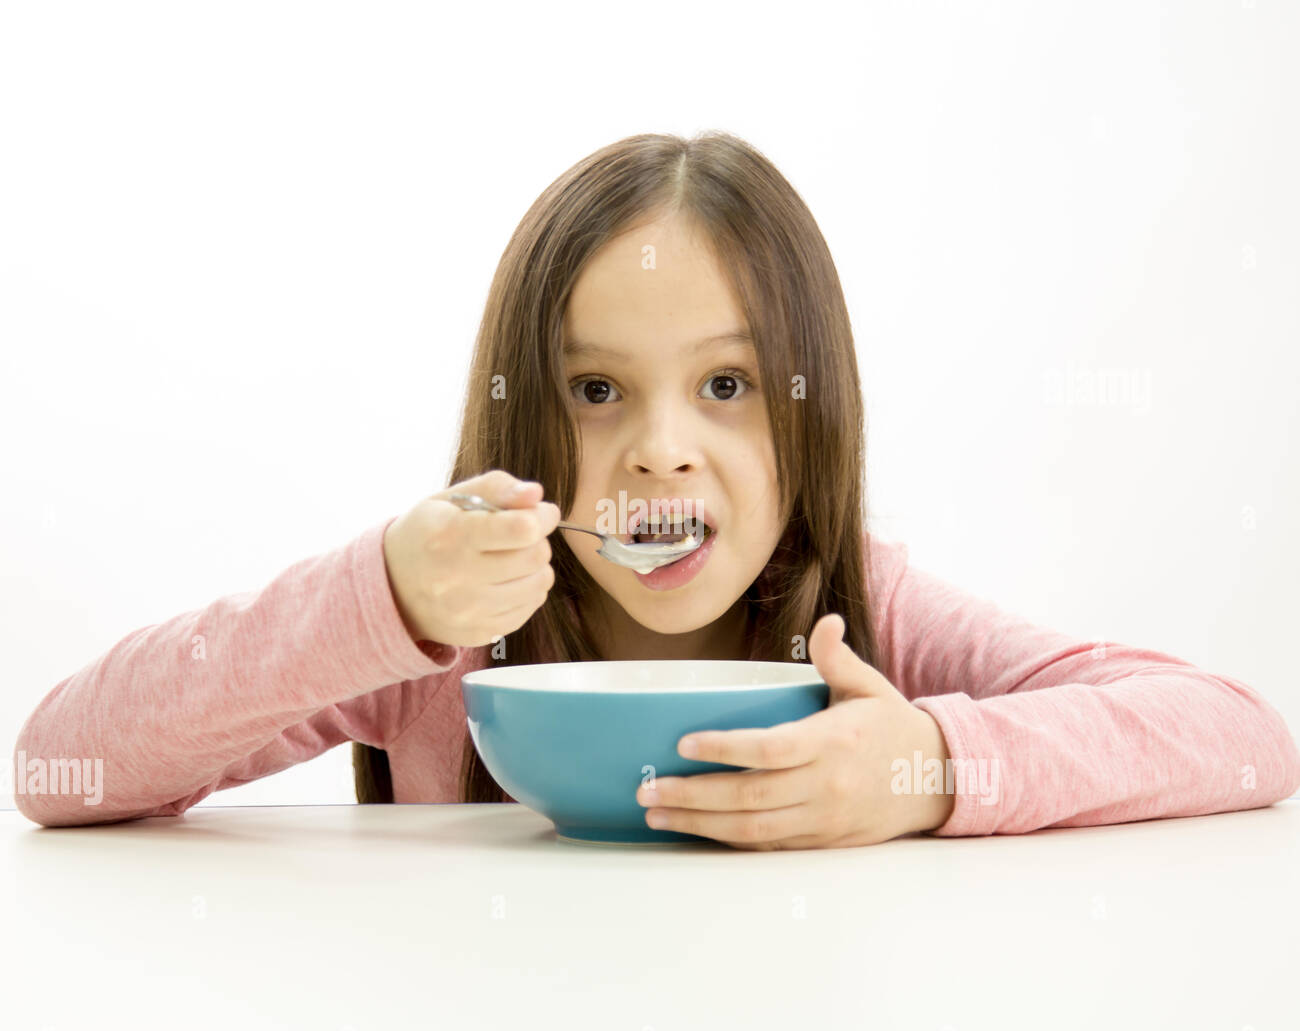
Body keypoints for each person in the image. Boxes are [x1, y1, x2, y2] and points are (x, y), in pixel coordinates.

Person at [13, 131, 1298, 850]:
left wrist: (927, 766)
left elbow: (1236, 734)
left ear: (811, 419)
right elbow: (61, 769)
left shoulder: (865, 613)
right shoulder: (429, 641)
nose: (662, 450)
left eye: (729, 388)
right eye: (595, 390)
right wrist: (380, 594)